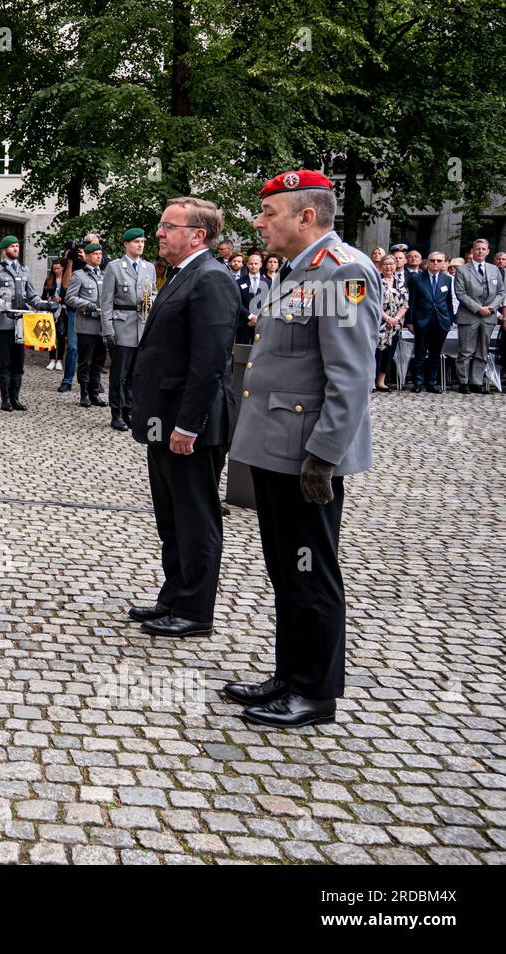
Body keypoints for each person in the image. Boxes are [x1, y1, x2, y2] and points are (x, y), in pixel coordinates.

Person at [224, 169, 378, 729]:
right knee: (286, 568)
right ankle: (289, 674)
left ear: (305, 216)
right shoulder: (298, 272)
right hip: (274, 447)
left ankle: (314, 693)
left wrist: (324, 455)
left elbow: (351, 376)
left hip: (305, 454)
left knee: (310, 570)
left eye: (268, 214)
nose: (259, 223)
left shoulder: (342, 273)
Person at [127, 197, 238, 639]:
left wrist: (187, 425)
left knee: (196, 519)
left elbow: (209, 362)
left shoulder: (211, 278)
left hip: (192, 425)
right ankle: (173, 596)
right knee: (171, 517)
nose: (159, 233)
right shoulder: (182, 274)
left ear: (197, 235)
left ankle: (195, 611)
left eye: (168, 226)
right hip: (165, 420)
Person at [0, 235, 57, 412]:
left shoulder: (24, 270)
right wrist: (0, 303)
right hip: (5, 323)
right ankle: (5, 399)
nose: (16, 249)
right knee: (4, 361)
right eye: (12, 246)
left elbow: (32, 295)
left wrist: (44, 304)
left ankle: (15, 398)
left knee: (18, 362)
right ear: (4, 250)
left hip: (23, 324)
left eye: (17, 246)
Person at [99, 227, 152, 431]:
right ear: (126, 244)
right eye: (136, 241)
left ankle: (130, 410)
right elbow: (106, 302)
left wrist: (151, 301)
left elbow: (153, 292)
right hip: (121, 325)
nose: (140, 245)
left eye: (143, 241)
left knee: (135, 374)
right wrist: (108, 330)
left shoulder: (149, 267)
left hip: (141, 324)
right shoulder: (115, 267)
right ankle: (117, 412)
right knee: (119, 374)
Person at [453, 238, 504, 393]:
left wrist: (491, 308)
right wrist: (477, 308)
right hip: (469, 316)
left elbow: (501, 292)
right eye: (477, 249)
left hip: (488, 316)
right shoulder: (463, 270)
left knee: (483, 351)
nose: (480, 251)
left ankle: (477, 382)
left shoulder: (494, 269)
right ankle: (463, 382)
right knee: (466, 351)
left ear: (488, 251)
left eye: (483, 249)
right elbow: (460, 293)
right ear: (472, 251)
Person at [63, 243, 108, 408]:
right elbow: (70, 298)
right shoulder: (79, 275)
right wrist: (87, 304)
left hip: (102, 326)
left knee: (98, 361)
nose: (98, 256)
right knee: (85, 361)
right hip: (86, 324)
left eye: (100, 253)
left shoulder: (105, 275)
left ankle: (94, 393)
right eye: (95, 253)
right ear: (87, 256)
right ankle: (84, 394)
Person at [405, 250, 454, 392]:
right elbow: (411, 302)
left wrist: (449, 319)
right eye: (433, 260)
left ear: (444, 262)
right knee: (420, 353)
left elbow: (448, 302)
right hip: (422, 321)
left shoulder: (447, 279)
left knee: (435, 354)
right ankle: (418, 382)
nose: (436, 263)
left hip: (441, 321)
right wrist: (410, 322)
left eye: (439, 261)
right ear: (427, 262)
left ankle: (431, 382)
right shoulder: (417, 279)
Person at [374, 254, 407, 392]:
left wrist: (395, 319)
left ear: (395, 265)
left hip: (395, 325)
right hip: (379, 323)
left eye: (391, 264)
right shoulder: (376, 281)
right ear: (381, 266)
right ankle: (371, 381)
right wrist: (387, 318)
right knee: (376, 353)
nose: (389, 266)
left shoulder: (400, 282)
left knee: (389, 353)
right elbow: (373, 303)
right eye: (386, 264)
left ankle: (381, 381)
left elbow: (405, 304)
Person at [234, 250, 266, 346]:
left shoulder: (269, 283)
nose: (253, 266)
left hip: (261, 323)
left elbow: (269, 303)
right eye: (251, 263)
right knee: (241, 352)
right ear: (247, 264)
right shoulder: (239, 282)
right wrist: (250, 316)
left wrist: (258, 318)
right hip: (244, 323)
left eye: (256, 263)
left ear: (260, 264)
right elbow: (237, 302)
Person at [42, 260, 67, 373]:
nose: (56, 270)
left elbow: (71, 296)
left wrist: (61, 299)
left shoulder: (66, 279)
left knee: (61, 336)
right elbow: (43, 296)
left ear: (62, 268)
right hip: (51, 309)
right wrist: (49, 299)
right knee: (51, 335)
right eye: (54, 268)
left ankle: (59, 360)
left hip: (62, 310)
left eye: (58, 268)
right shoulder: (49, 280)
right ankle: (52, 359)